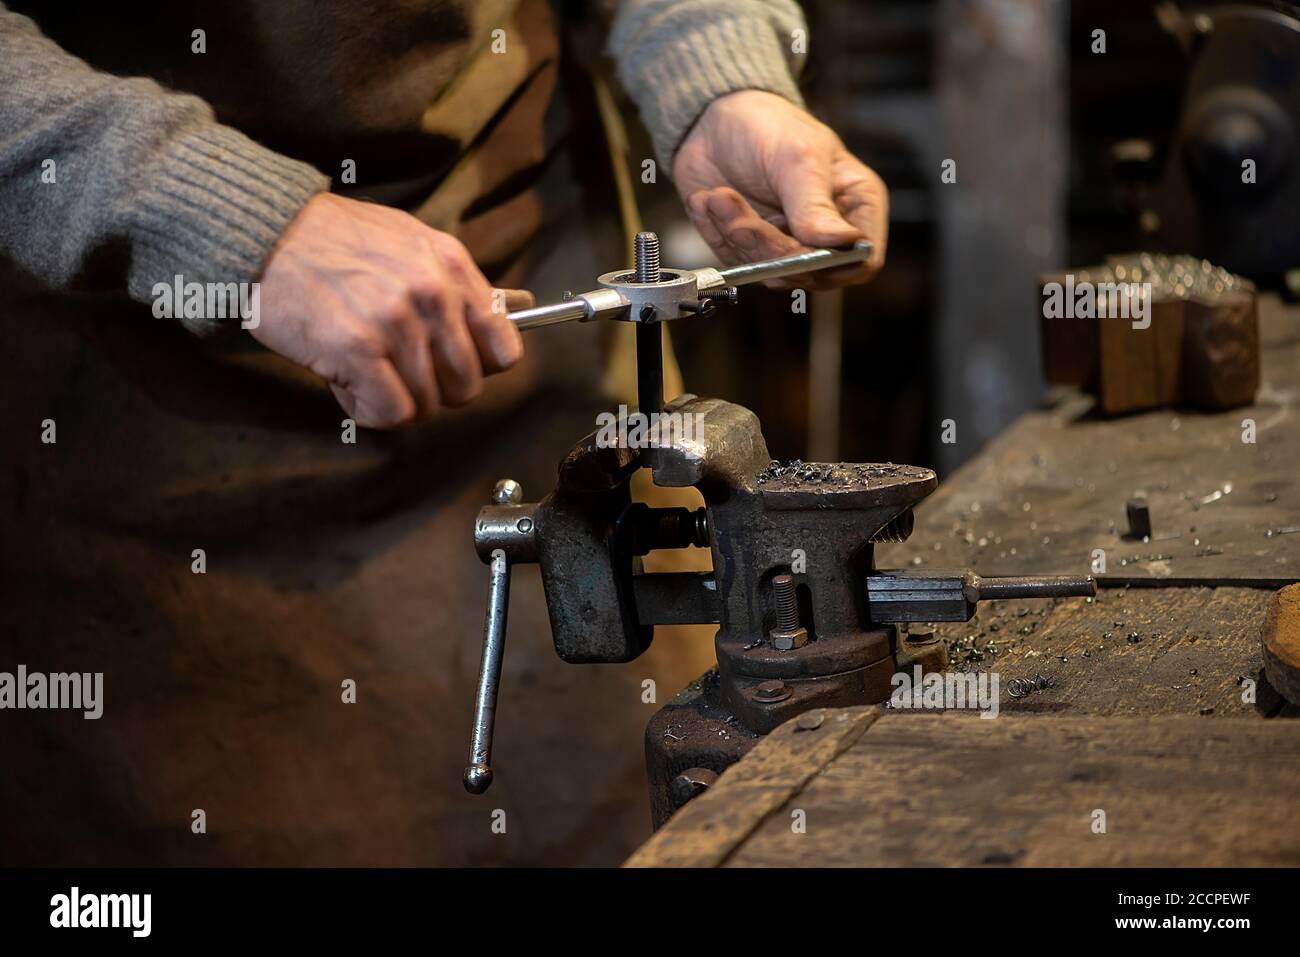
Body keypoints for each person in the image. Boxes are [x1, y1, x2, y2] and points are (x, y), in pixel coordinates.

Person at [0, 0, 887, 865]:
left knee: (658, 792)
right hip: (141, 409)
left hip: (539, 356)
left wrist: (723, 78)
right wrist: (219, 213)